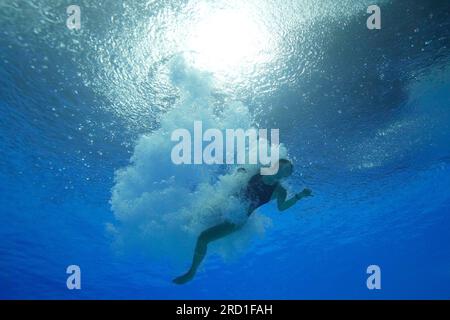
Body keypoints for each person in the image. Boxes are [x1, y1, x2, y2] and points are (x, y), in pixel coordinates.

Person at [172, 159, 312, 284]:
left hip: (237, 219)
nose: (281, 172)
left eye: (285, 172)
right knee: (192, 219)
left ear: (286, 176)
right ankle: (178, 240)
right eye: (281, 168)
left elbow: (282, 207)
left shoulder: (280, 191)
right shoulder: (259, 171)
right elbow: (241, 174)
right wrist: (240, 173)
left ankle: (192, 272)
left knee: (203, 238)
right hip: (227, 206)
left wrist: (299, 196)